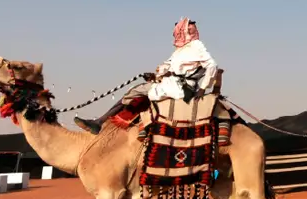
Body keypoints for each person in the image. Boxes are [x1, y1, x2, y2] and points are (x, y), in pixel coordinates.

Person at [74, 18, 218, 134]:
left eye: (178, 29)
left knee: (134, 91)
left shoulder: (197, 46)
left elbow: (212, 65)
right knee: (139, 90)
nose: (176, 32)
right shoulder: (181, 50)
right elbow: (168, 67)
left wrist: (202, 88)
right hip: (172, 83)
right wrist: (155, 76)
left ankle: (100, 122)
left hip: (179, 88)